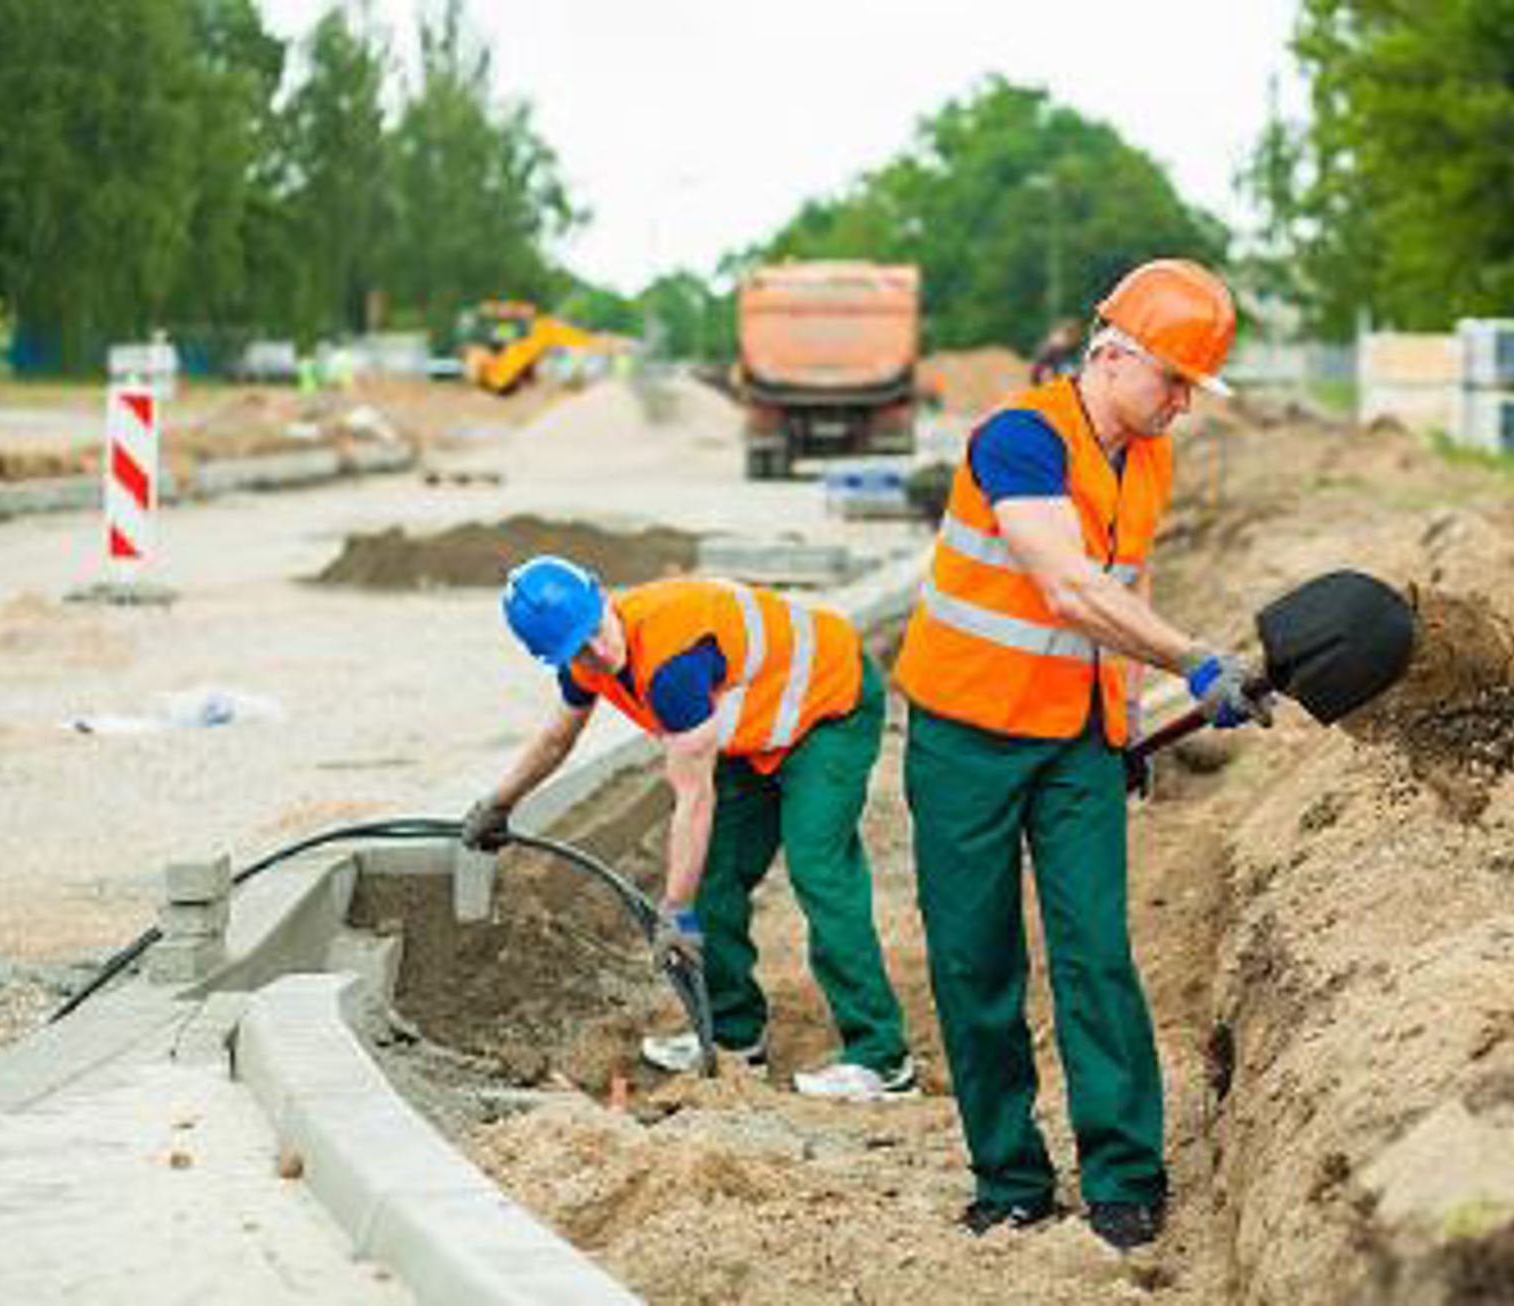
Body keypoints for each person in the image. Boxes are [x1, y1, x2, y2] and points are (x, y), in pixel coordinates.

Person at [892, 259, 1268, 1250]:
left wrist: (1125, 725)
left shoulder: (1146, 456)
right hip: (966, 735)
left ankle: (1123, 1179)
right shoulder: (1019, 438)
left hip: (1074, 743)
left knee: (1097, 953)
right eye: (1173, 380)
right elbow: (1067, 587)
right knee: (977, 963)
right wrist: (1195, 663)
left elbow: (1118, 600)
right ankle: (1010, 1178)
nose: (1184, 403)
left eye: (1194, 385)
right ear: (1112, 355)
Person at [463, 559, 914, 1100]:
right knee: (717, 874)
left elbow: (694, 797)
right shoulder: (582, 661)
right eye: (578, 652)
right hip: (756, 728)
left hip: (827, 708)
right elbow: (556, 740)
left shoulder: (673, 660)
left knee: (818, 867)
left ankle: (883, 1059)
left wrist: (675, 910)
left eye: (595, 636)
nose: (597, 656)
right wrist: (499, 803)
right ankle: (731, 1032)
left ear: (605, 597)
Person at [1028, 318, 1083, 386]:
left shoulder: (1057, 338)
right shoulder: (1059, 341)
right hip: (1043, 370)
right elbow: (1055, 361)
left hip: (1042, 369)